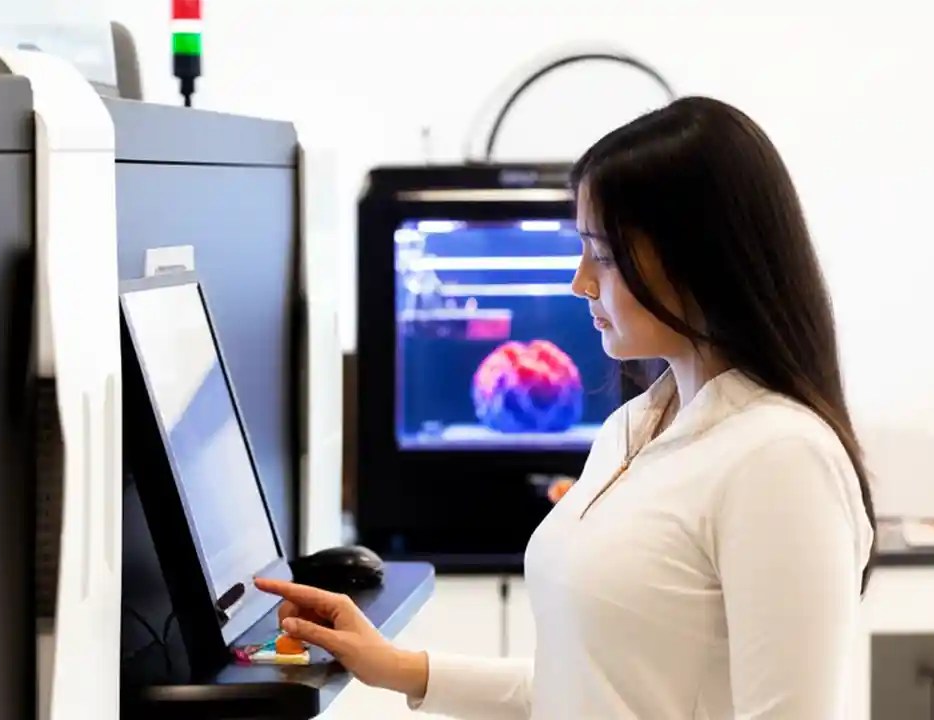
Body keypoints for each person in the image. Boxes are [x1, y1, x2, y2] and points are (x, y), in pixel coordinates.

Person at [257, 96, 876, 719]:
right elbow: (585, 685)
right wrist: (398, 668)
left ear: (700, 258)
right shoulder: (632, 430)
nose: (580, 281)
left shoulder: (780, 458)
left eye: (603, 255)